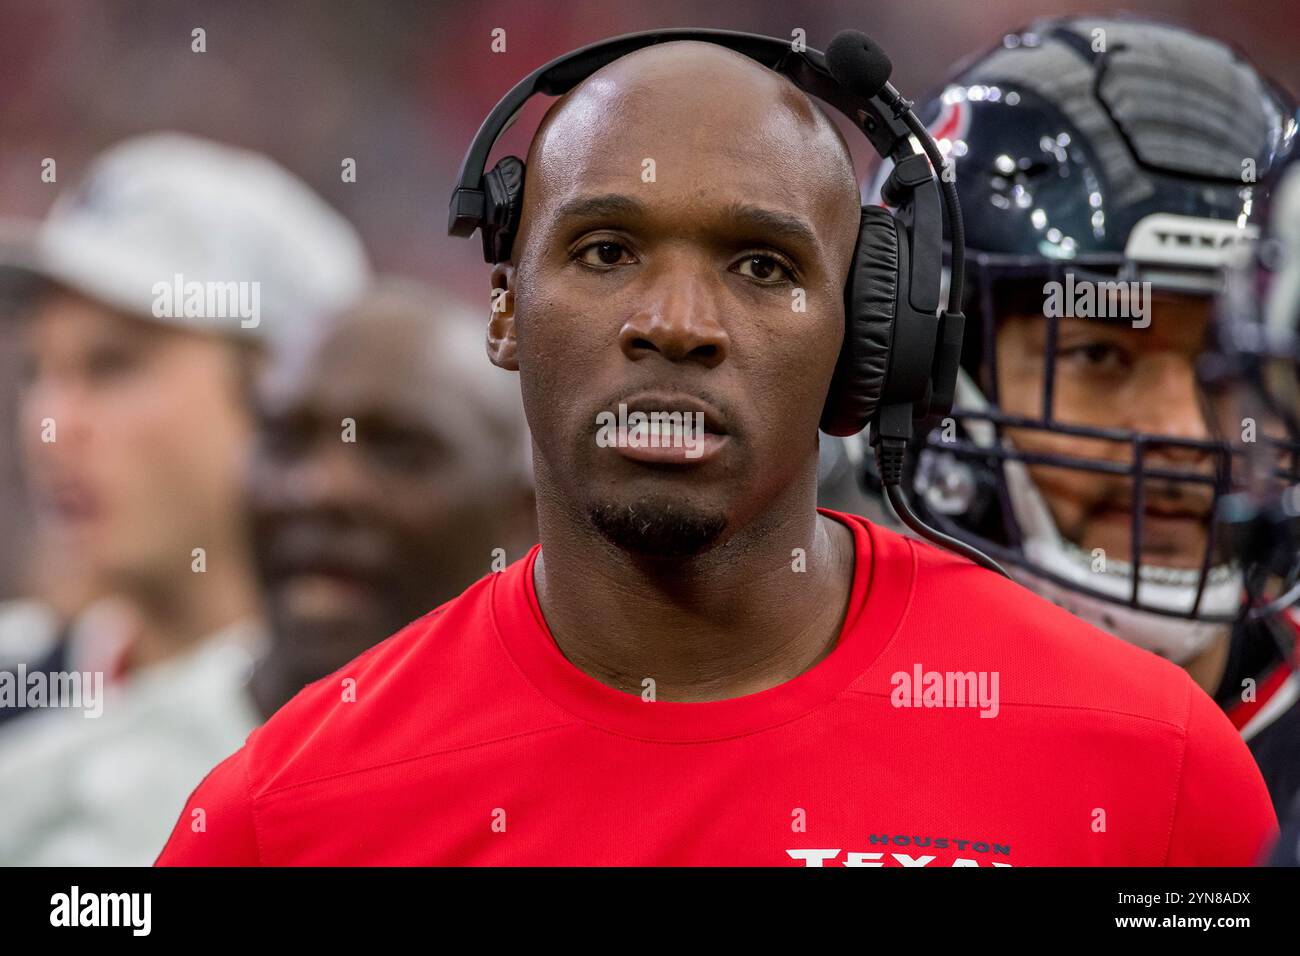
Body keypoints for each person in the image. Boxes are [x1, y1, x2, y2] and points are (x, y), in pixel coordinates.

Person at [159, 34, 1272, 867]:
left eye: (760, 266)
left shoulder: (1151, 764)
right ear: (503, 312)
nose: (677, 321)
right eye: (605, 250)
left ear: (867, 341)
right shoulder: (281, 816)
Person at [879, 15, 1300, 814]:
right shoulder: (840, 710)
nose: (1185, 433)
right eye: (1102, 356)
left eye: (1225, 362)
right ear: (928, 368)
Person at [0, 131, 369, 864]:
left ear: (281, 403)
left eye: (112, 366)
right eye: (37, 370)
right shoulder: (16, 673)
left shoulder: (367, 739)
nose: (51, 426)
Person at [246, 278, 535, 718]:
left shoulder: (575, 771)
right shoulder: (116, 771)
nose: (320, 490)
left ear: (521, 515)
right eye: (287, 440)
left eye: (397, 451)